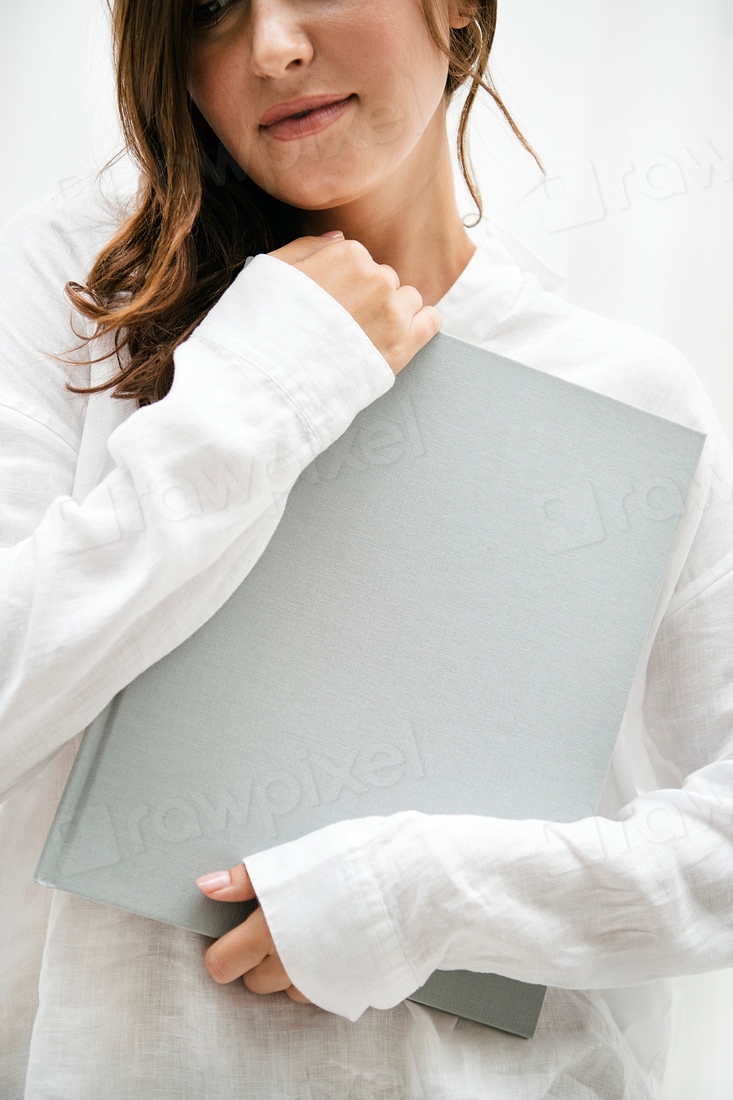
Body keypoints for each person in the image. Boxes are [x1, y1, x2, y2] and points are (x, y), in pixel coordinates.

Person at [1, 0, 732, 1096]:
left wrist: (411, 892)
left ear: (458, 12)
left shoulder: (624, 397)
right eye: (208, 12)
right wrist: (267, 386)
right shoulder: (81, 314)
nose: (272, 49)